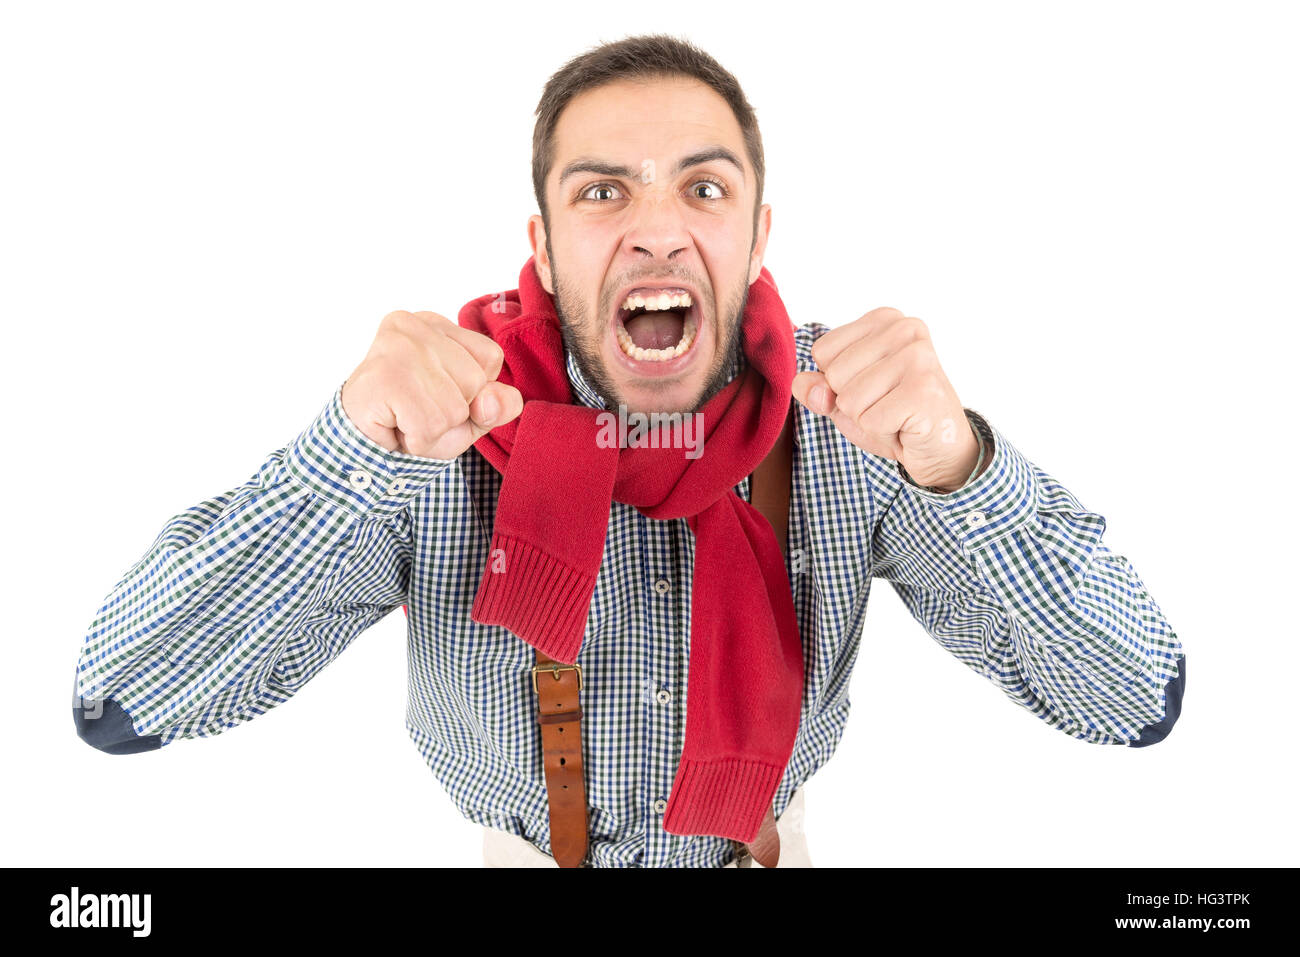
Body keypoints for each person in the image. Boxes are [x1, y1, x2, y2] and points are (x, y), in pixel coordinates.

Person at [72, 33, 1185, 868]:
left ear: (755, 240)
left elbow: (1134, 701)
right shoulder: (439, 427)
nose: (657, 228)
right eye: (602, 192)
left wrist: (960, 466)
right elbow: (121, 705)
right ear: (545, 254)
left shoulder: (851, 421)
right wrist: (343, 454)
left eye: (703, 188)